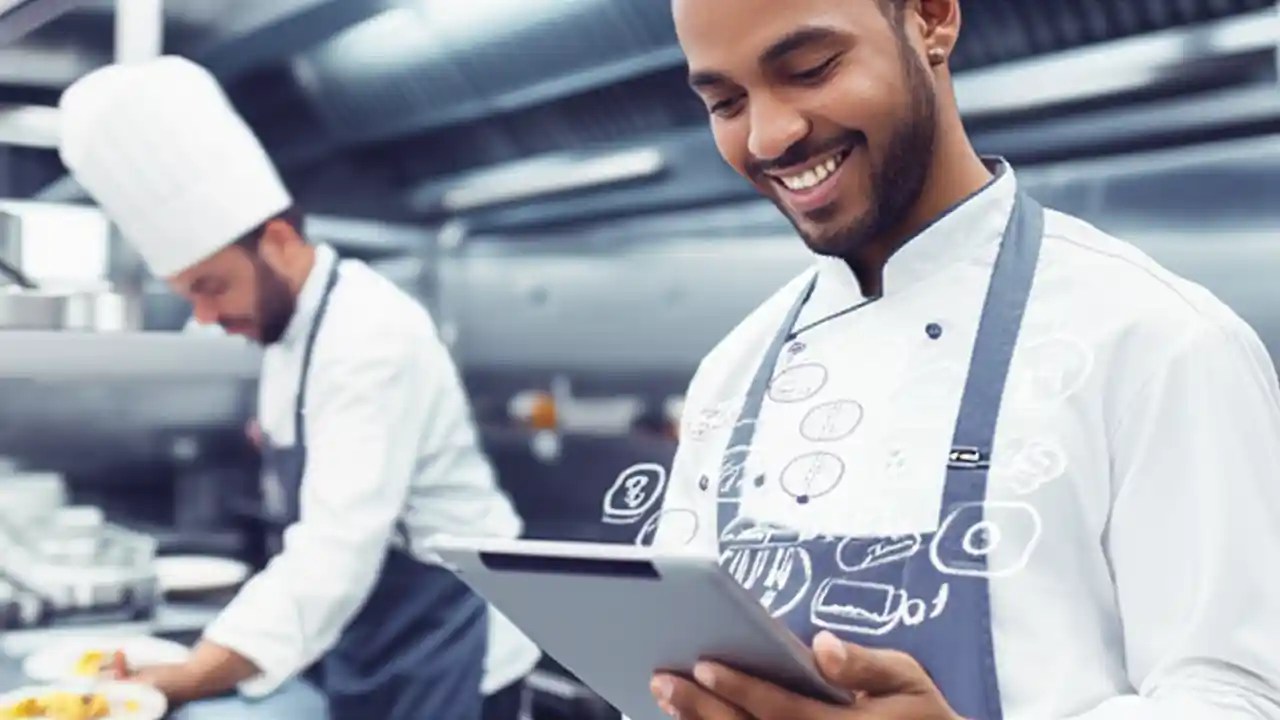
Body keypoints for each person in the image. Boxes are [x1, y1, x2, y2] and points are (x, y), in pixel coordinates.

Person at [645, 0, 1280, 718]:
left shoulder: (1157, 341)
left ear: (932, 18)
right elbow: (671, 669)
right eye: (726, 103)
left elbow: (1239, 702)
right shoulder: (732, 371)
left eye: (810, 69)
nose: (769, 135)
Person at [57, 55, 540, 720]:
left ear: (279, 241)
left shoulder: (369, 334)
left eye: (211, 286)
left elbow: (337, 547)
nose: (205, 316)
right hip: (377, 630)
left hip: (452, 634)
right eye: (188, 293)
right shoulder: (290, 328)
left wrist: (193, 673)